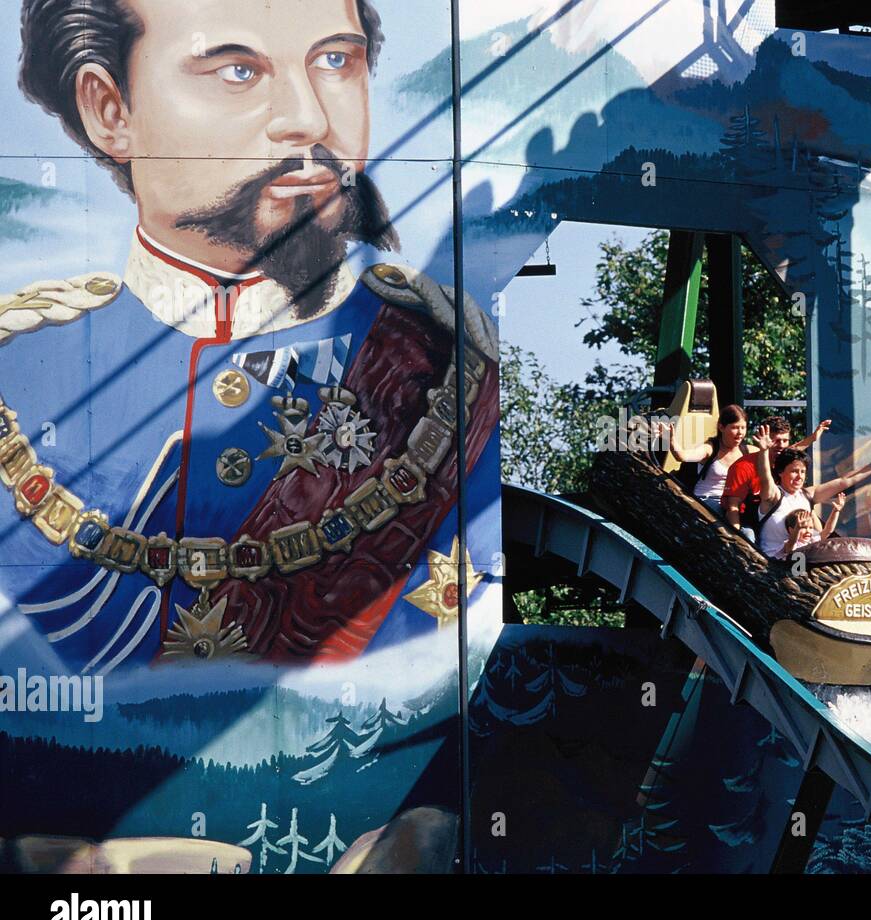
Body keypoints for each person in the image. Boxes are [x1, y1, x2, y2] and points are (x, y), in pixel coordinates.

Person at [0, 0, 499, 667]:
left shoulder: (440, 364)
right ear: (109, 110)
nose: (310, 119)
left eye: (334, 61)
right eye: (238, 71)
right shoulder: (21, 370)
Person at [755, 437, 871, 559]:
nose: (800, 476)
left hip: (799, 564)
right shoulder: (773, 496)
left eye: (803, 472)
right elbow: (765, 477)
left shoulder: (807, 495)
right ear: (780, 472)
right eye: (794, 471)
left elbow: (844, 481)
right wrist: (763, 452)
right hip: (772, 564)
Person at [721, 414, 830, 535]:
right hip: (749, 520)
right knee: (748, 535)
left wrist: (813, 438)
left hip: (778, 518)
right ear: (763, 440)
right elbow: (733, 508)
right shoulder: (743, 466)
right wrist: (736, 538)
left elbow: (795, 449)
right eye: (776, 441)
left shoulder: (784, 460)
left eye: (785, 441)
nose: (782, 445)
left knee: (811, 522)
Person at [664, 404, 747, 515]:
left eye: (743, 427)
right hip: (706, 502)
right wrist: (672, 440)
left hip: (731, 503)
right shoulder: (709, 448)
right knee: (725, 513)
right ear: (721, 427)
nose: (740, 432)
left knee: (747, 532)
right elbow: (682, 456)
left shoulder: (746, 451)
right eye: (735, 427)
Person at [775, 492, 846, 560]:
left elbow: (828, 530)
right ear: (791, 530)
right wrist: (797, 529)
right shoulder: (792, 544)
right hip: (795, 571)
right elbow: (790, 546)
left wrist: (836, 511)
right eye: (803, 527)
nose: (808, 531)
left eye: (811, 527)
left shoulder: (812, 541)